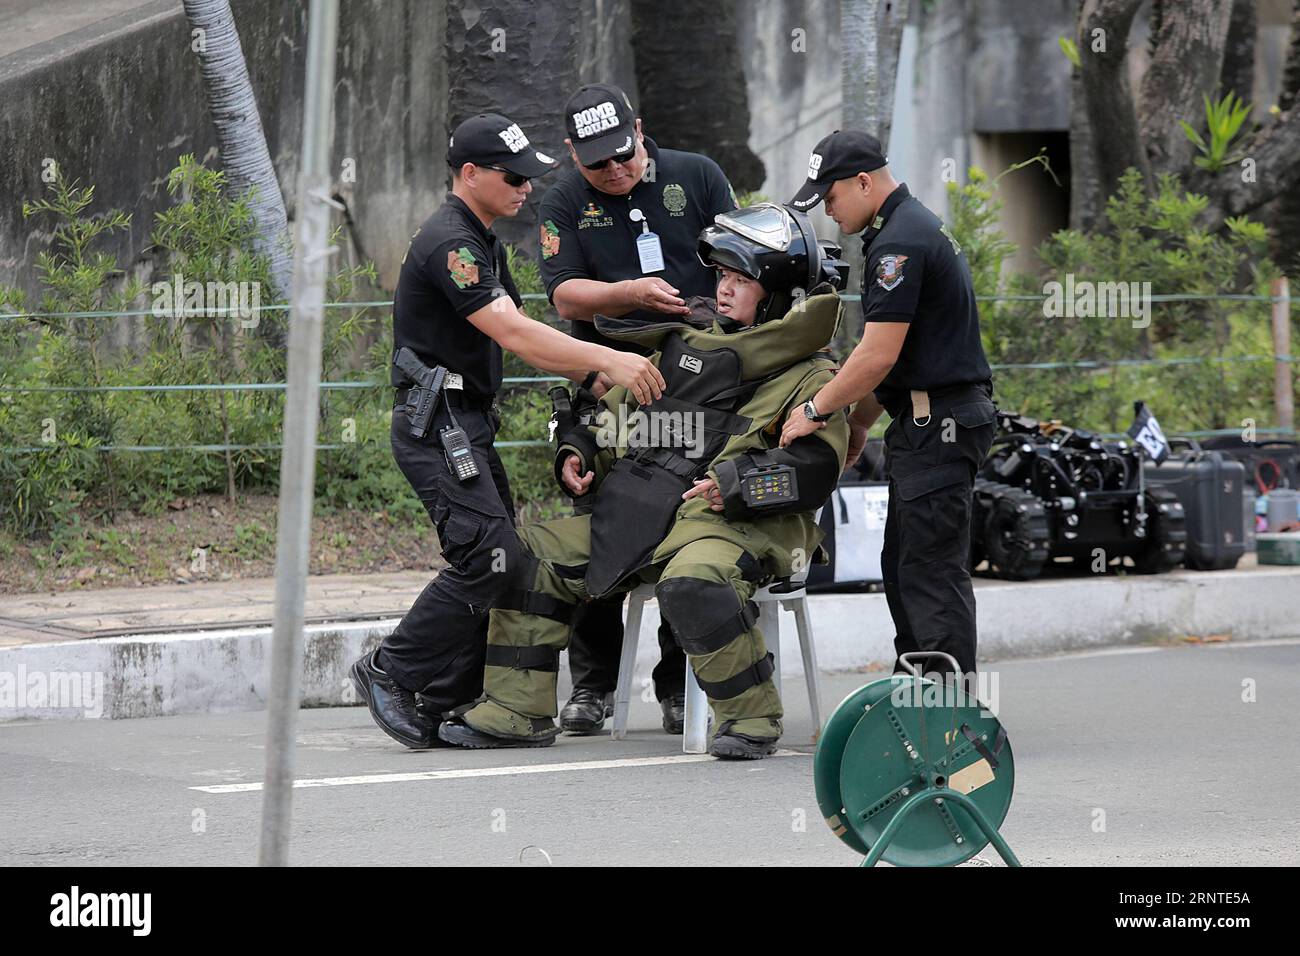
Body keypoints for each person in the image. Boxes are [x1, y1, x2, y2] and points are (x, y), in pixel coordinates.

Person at [437, 203, 851, 759]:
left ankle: (751, 720)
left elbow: (814, 472)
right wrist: (579, 452)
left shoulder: (813, 376)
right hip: (642, 513)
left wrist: (734, 487)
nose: (724, 290)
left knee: (695, 577)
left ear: (779, 294)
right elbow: (616, 412)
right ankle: (516, 710)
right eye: (722, 276)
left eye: (742, 279)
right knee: (528, 553)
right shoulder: (686, 348)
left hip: (731, 525)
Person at [350, 113, 667, 750]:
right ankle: (391, 670)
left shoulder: (482, 240)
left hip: (464, 424)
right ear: (470, 175)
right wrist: (606, 359)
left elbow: (527, 335)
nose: (526, 187)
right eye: (512, 176)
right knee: (487, 556)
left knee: (505, 558)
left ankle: (445, 697)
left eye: (529, 175)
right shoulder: (452, 243)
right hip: (437, 424)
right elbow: (516, 333)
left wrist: (593, 388)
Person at [535, 83, 741, 735]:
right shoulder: (564, 200)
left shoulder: (697, 177)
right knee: (600, 528)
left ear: (641, 129)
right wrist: (628, 294)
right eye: (598, 163)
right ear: (572, 154)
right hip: (608, 388)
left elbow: (742, 264)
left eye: (624, 154)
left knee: (687, 533)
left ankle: (679, 684)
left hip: (698, 389)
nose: (616, 170)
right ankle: (593, 686)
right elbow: (565, 297)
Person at [780, 130, 997, 679]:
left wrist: (816, 411)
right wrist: (857, 425)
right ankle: (919, 687)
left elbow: (876, 356)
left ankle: (948, 707)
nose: (829, 212)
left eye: (830, 198)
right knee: (904, 566)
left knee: (928, 570)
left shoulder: (900, 243)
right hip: (929, 420)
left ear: (862, 181)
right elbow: (903, 356)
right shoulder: (911, 226)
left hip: (938, 424)